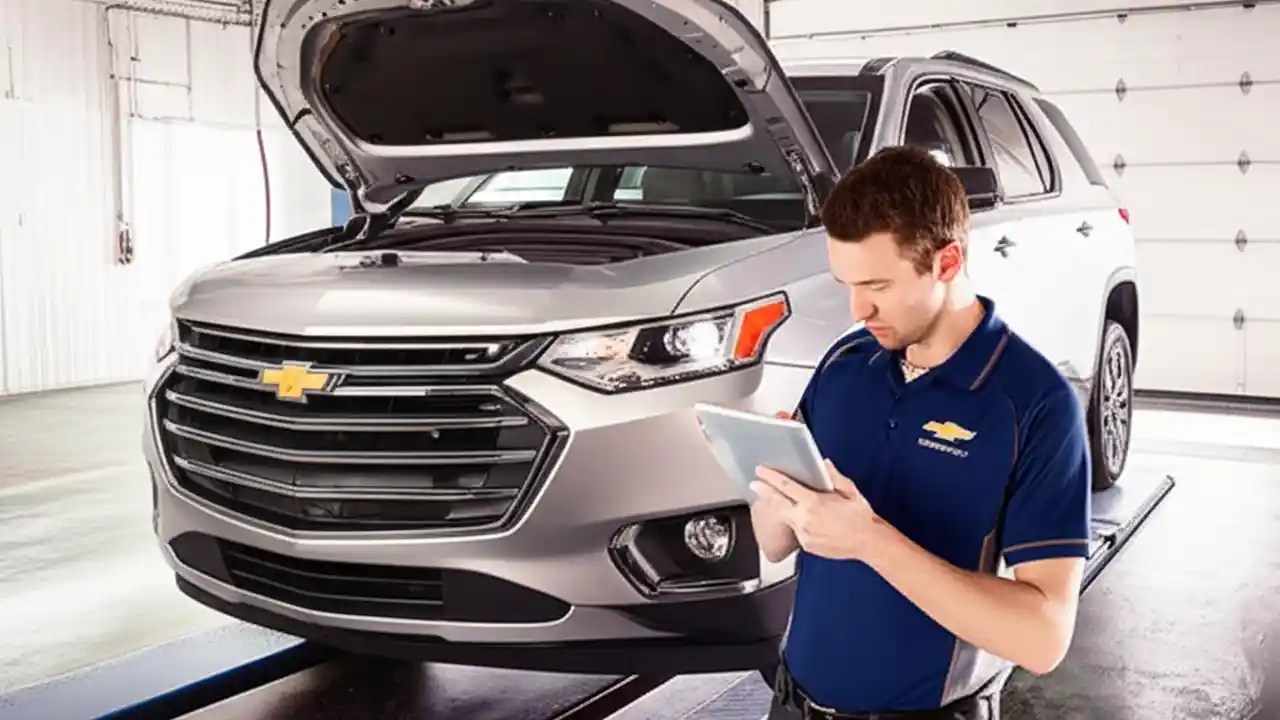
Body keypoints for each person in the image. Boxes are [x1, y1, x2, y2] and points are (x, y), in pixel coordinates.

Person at [751, 146, 1092, 719]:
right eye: (847, 284)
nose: (859, 308)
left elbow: (1043, 638)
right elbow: (775, 543)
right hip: (793, 705)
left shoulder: (1034, 404)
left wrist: (869, 539)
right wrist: (774, 481)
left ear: (947, 262)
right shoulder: (844, 365)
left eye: (878, 285)